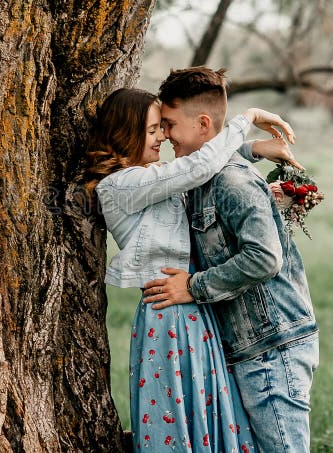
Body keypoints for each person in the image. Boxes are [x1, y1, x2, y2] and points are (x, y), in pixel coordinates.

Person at [83, 87, 301, 452]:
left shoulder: (151, 177)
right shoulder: (120, 185)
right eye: (154, 129)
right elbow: (195, 168)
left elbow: (197, 172)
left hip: (192, 305)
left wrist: (253, 151)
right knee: (178, 423)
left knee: (209, 417)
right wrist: (245, 121)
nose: (163, 137)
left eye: (163, 127)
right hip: (169, 314)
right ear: (126, 132)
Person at [143, 67, 319, 453]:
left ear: (202, 123)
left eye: (170, 124)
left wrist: (192, 287)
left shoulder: (232, 182)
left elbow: (264, 258)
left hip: (271, 347)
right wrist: (252, 147)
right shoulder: (203, 176)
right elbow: (205, 162)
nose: (166, 135)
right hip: (248, 346)